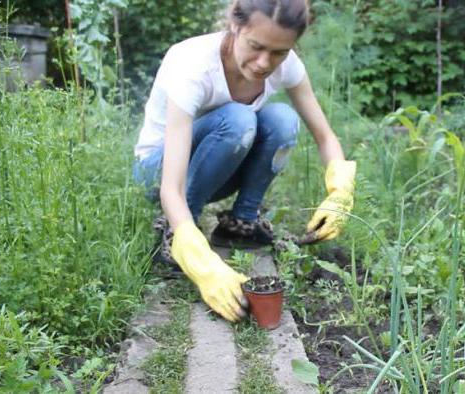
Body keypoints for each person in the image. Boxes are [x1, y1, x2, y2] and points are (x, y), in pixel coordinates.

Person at [132, 0, 356, 322]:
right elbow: (170, 186)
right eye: (256, 46)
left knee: (282, 120)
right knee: (239, 120)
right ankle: (178, 229)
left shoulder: (287, 64)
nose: (265, 62)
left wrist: (340, 191)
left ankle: (240, 224)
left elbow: (325, 137)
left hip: (215, 166)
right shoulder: (192, 65)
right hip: (157, 171)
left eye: (278, 52)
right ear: (236, 25)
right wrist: (201, 262)